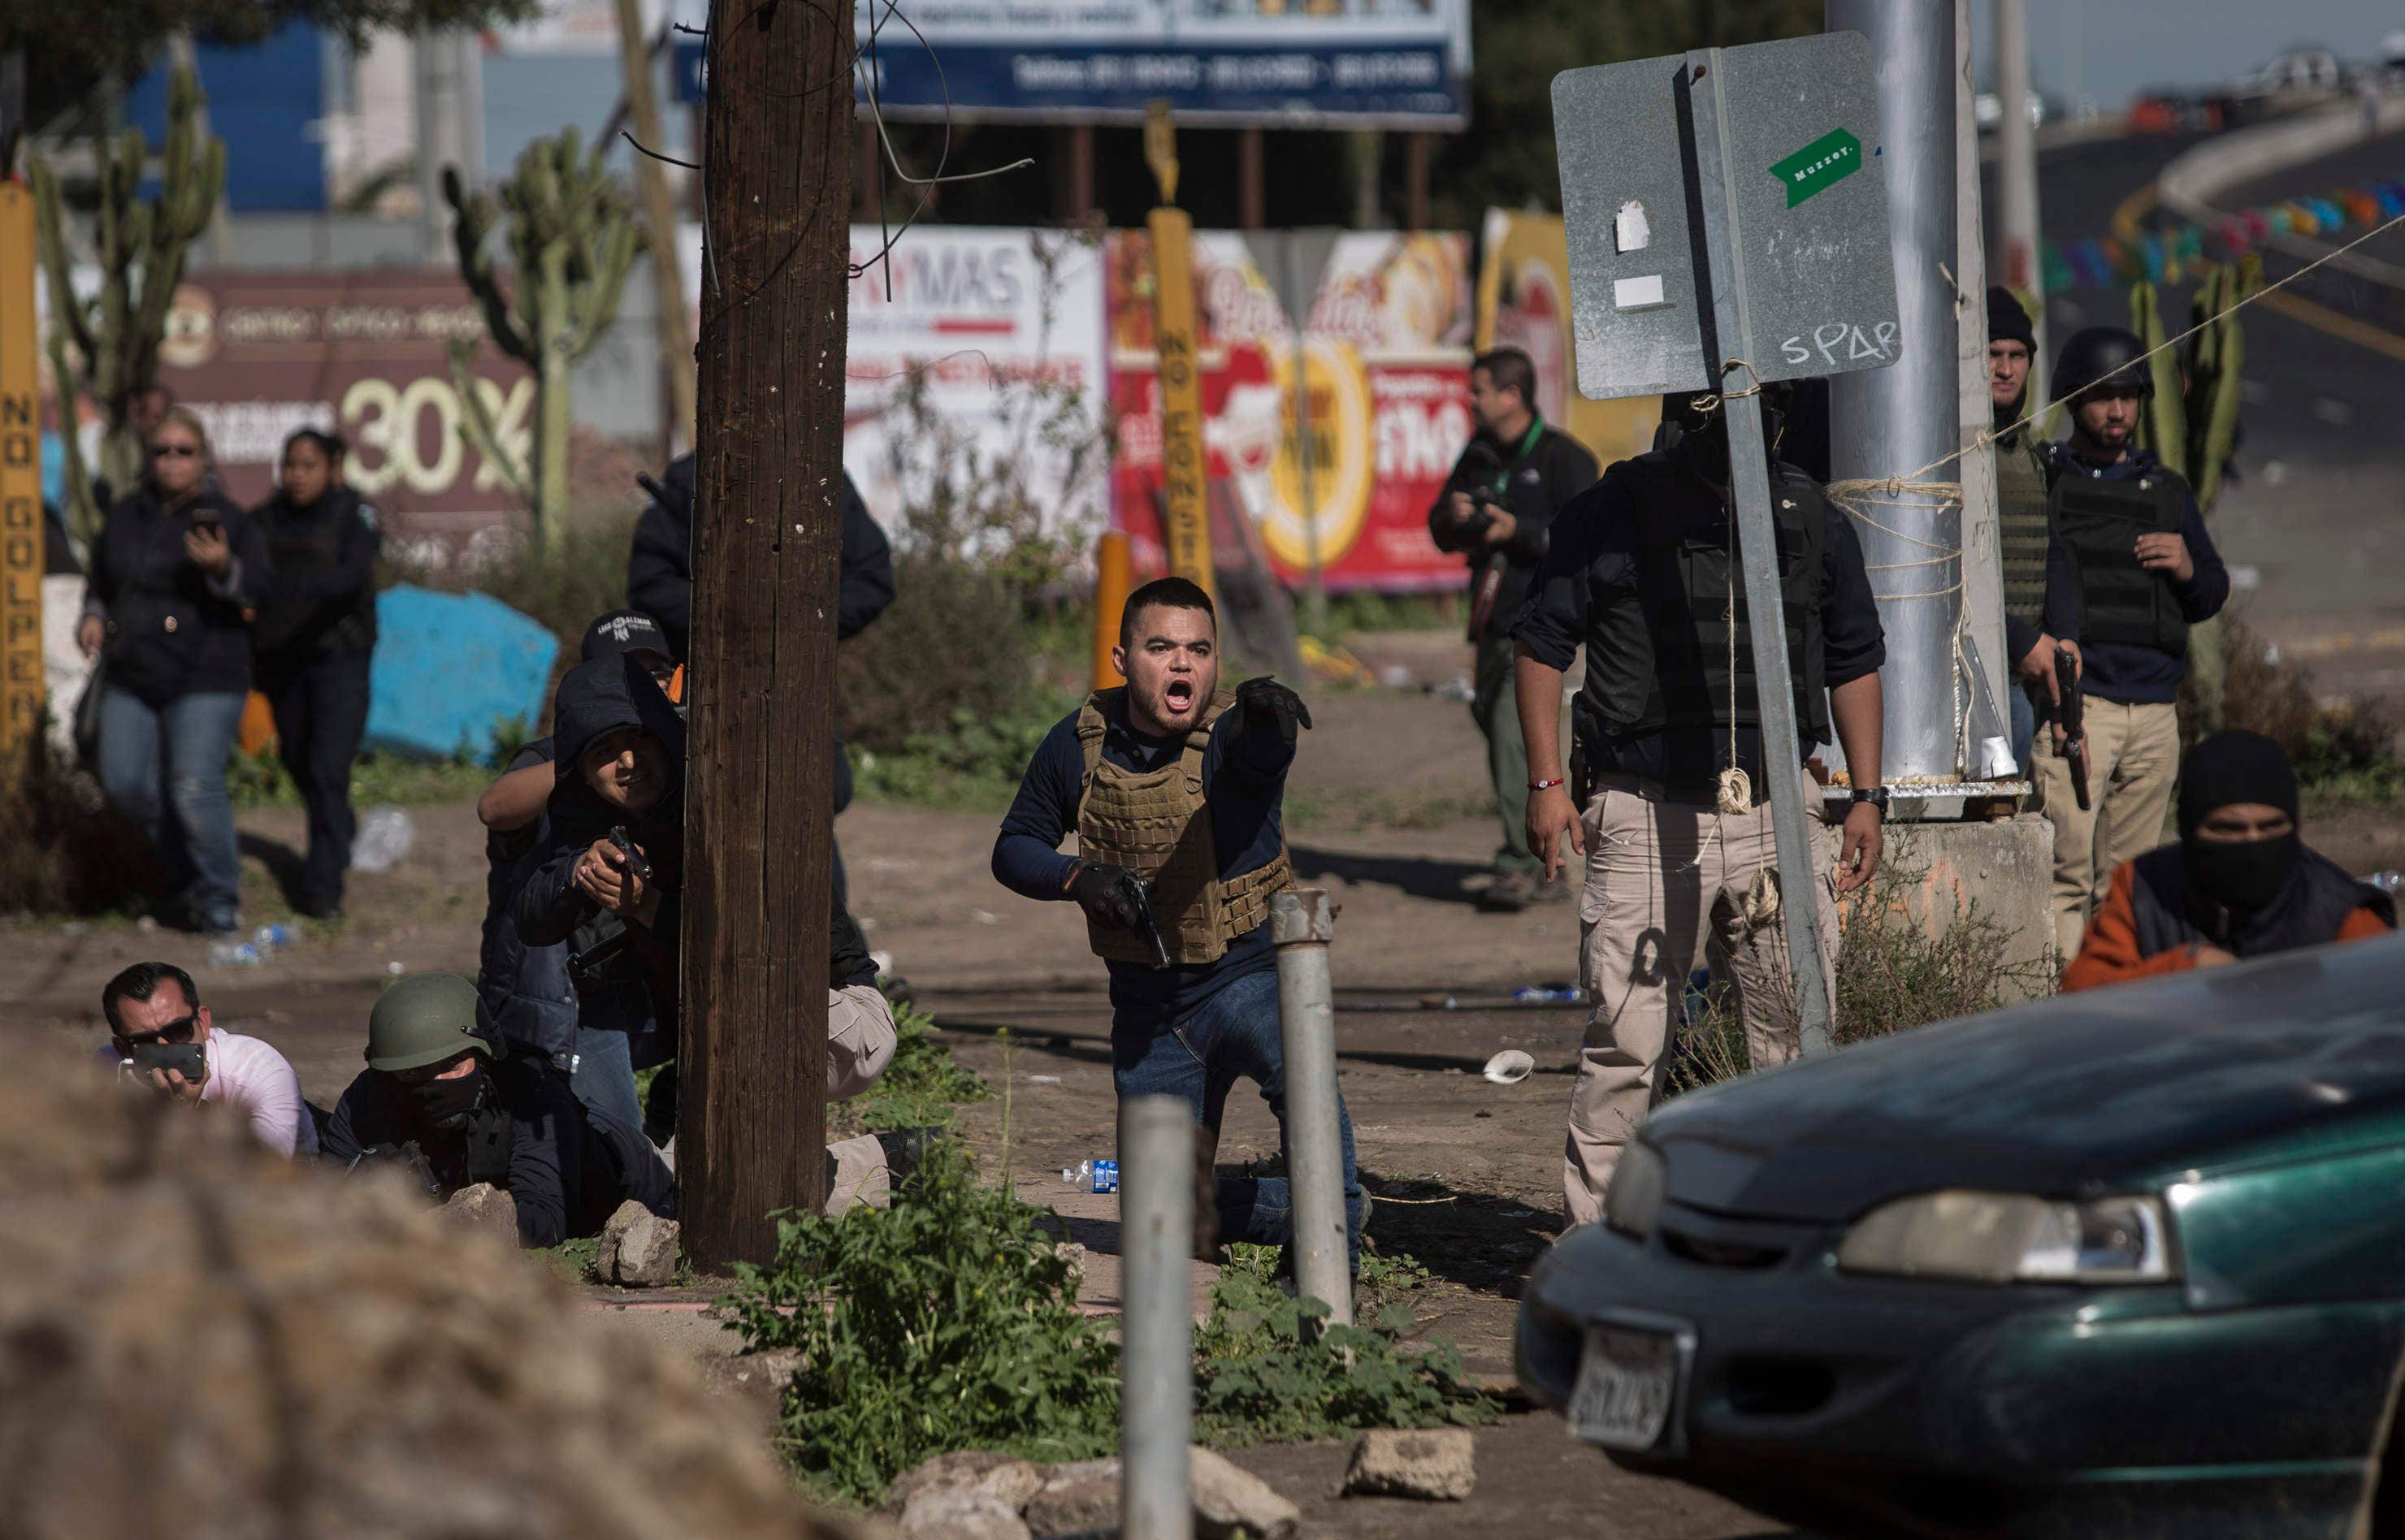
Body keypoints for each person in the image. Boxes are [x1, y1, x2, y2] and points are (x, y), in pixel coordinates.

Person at [1513, 385, 1890, 1228]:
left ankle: (1777, 1232)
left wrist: (1865, 796)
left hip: (1776, 813)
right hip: (1641, 809)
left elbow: (1853, 657)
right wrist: (1544, 785)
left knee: (1792, 1034)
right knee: (1628, 1042)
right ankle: (1603, 1242)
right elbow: (1540, 643)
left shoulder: (1809, 516)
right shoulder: (1614, 508)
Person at [993, 577, 1366, 1265]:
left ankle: (1330, 1243)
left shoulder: (1229, 734)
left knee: (1306, 1089)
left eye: (1199, 649)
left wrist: (1270, 722)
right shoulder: (1079, 744)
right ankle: (1313, 1202)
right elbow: (1014, 846)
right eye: (1161, 647)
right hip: (1151, 1013)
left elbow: (1262, 756)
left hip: (1250, 981)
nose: (1182, 664)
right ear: (1122, 658)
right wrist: (1079, 877)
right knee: (1162, 1227)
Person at [2031, 327, 2231, 961]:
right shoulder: (2047, 479)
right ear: (2073, 400)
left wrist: (2186, 566)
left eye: (2129, 396)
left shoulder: (2166, 491)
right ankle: (2066, 997)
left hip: (2153, 712)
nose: (2117, 410)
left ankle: (2115, 987)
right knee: (2065, 874)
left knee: (2125, 882)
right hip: (2079, 707)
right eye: (2102, 396)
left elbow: (2211, 593)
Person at [628, 455, 893, 906]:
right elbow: (650, 586)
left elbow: (873, 580)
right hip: (705, 693)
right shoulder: (688, 484)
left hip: (799, 685)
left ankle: (833, 945)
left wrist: (799, 624)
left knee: (815, 806)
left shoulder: (819, 475)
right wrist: (736, 617)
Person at [77, 408, 270, 935]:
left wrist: (222, 568)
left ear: (203, 457)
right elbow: (102, 580)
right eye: (161, 451)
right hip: (133, 670)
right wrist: (92, 615)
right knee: (125, 783)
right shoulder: (126, 514)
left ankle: (219, 899)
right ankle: (182, 878)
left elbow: (259, 588)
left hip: (206, 671)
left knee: (193, 787)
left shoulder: (229, 517)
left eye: (184, 451)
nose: (172, 461)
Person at [473, 612, 680, 1097]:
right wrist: (587, 750)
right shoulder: (564, 755)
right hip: (562, 978)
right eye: (623, 673)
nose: (643, 684)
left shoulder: (681, 742)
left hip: (643, 965)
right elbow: (493, 808)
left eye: (654, 672)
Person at [1426, 348, 1601, 913]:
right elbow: (1438, 529)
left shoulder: (1564, 459)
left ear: (1512, 395)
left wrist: (1516, 530)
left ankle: (1525, 865)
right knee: (1493, 724)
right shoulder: (1477, 456)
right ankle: (1543, 857)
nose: (1470, 400)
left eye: (1478, 390)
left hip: (1540, 631)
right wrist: (1455, 518)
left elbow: (1586, 540)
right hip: (1489, 621)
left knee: (1510, 736)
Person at [320, 971, 674, 1249]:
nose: (433, 1082)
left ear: (484, 1056)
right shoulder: (367, 1100)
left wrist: (434, 1227)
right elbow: (320, 1203)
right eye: (413, 1073)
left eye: (452, 1064)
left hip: (638, 1185)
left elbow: (545, 1221)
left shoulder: (531, 1096)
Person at [2063, 730, 2394, 991]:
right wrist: (2185, 969)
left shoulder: (2340, 914)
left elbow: (2381, 1012)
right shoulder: (2144, 889)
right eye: (2229, 830)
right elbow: (2083, 997)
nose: (2252, 845)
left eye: (2270, 827)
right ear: (2190, 829)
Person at [510, 652, 687, 1136]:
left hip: (759, 1001)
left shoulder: (713, 792)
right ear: (583, 771)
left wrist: (646, 905)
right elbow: (530, 913)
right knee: (619, 1149)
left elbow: (735, 943)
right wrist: (581, 871)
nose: (629, 762)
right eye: (604, 750)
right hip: (617, 1003)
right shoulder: (579, 811)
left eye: (639, 738)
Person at [249, 429, 381, 919]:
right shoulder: (264, 520)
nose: (297, 476)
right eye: (290, 465)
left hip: (339, 661)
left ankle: (323, 889)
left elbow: (349, 578)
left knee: (328, 769)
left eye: (309, 465)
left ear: (331, 469)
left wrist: (280, 589)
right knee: (298, 760)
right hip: (283, 662)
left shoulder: (354, 515)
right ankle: (339, 827)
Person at [1983, 288, 2082, 774]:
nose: (2005, 370)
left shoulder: (2030, 455)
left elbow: (2051, 552)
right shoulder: (1953, 451)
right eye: (1993, 354)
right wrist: (2021, 640)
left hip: (2023, 681)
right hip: (1971, 682)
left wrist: (2065, 640)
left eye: (2017, 356)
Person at [98, 960, 318, 1157]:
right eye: (145, 1041)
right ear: (123, 1049)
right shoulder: (102, 1074)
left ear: (203, 1023)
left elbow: (264, 1172)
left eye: (178, 1031)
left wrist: (182, 1116)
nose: (164, 1047)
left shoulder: (257, 1069)